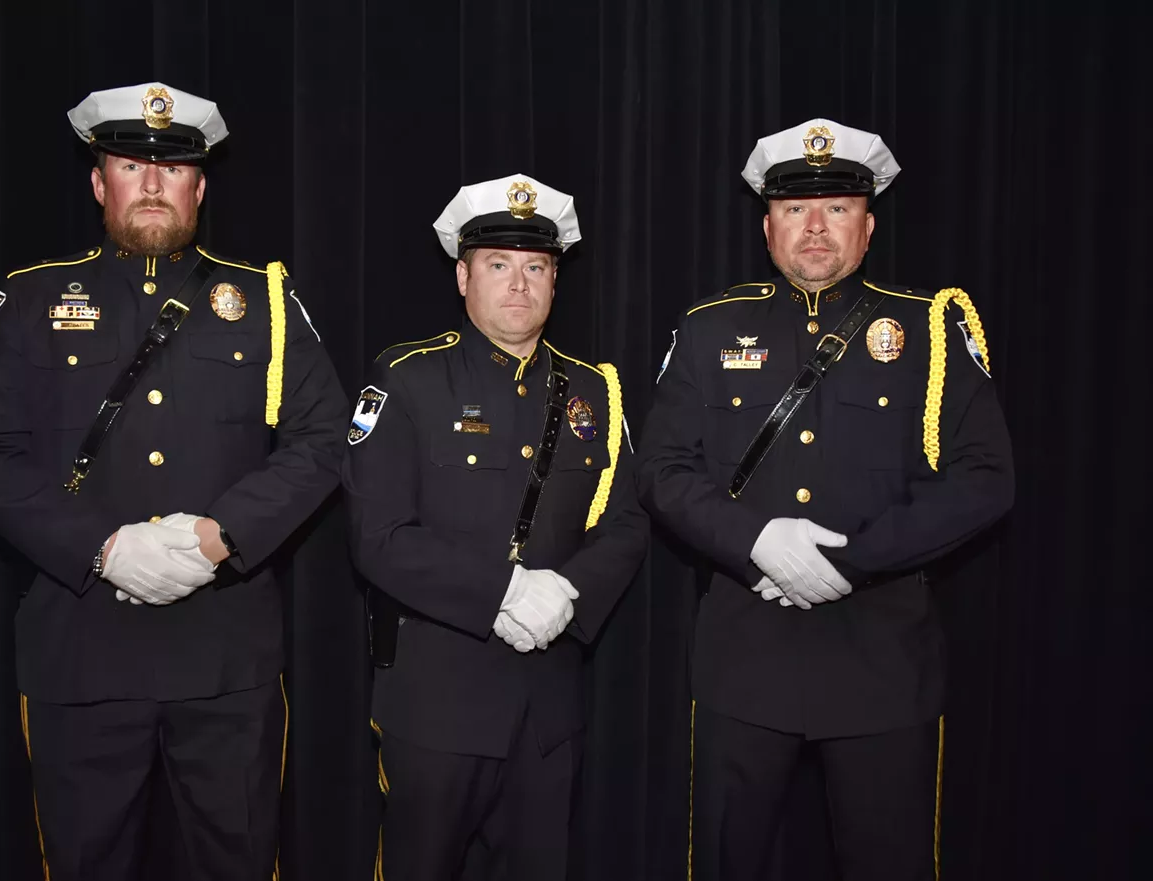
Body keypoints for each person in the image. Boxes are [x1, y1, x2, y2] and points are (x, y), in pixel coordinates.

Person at [0, 82, 349, 879]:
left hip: (224, 658)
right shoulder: (32, 298)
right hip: (81, 653)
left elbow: (326, 437)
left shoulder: (264, 302)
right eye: (132, 165)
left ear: (200, 187)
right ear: (100, 184)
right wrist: (98, 546)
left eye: (174, 168)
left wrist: (220, 535)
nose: (154, 183)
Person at [637, 119, 1014, 881]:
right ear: (767, 227)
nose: (815, 226)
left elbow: (986, 478)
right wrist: (755, 541)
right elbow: (662, 471)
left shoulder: (930, 327)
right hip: (746, 661)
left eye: (837, 208)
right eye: (795, 209)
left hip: (881, 662)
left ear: (868, 227)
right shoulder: (709, 327)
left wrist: (854, 560)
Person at [341, 174, 649, 881]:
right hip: (438, 707)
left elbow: (626, 520)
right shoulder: (406, 378)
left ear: (555, 280)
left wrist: (567, 595)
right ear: (463, 276)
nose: (519, 284)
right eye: (498, 264)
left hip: (548, 708)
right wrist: (503, 592)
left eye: (536, 267)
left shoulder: (593, 389)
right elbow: (377, 535)